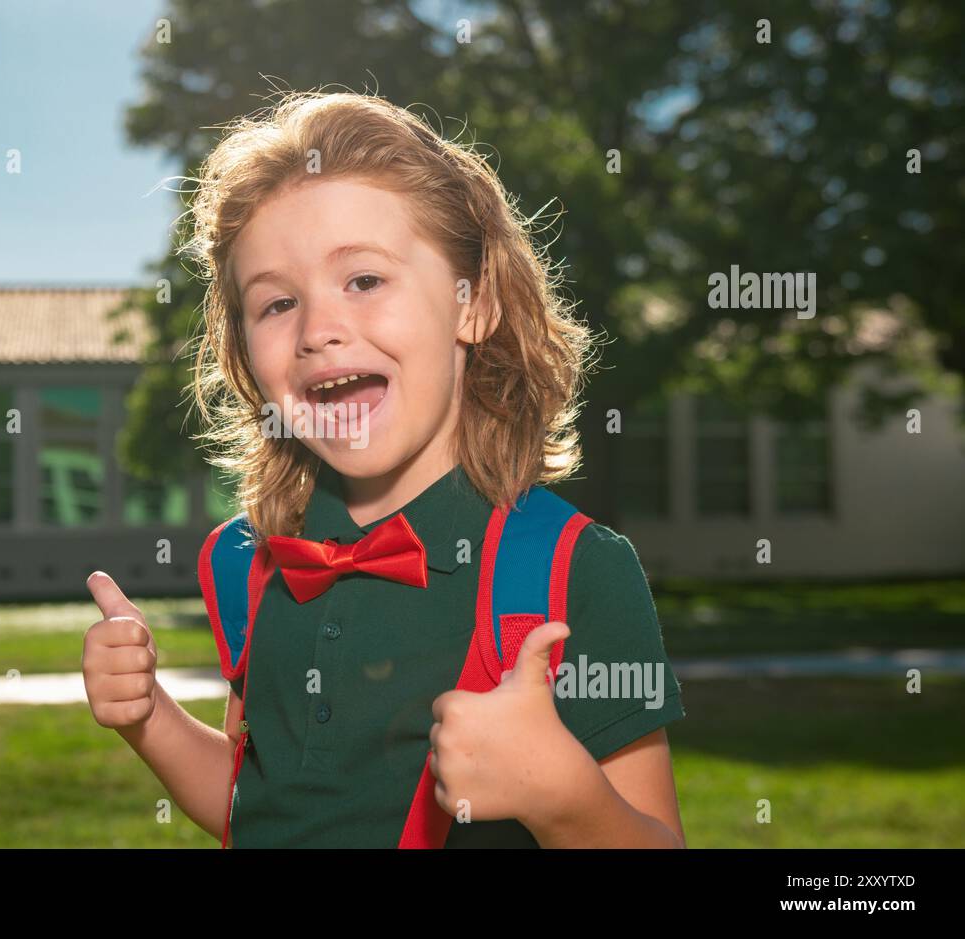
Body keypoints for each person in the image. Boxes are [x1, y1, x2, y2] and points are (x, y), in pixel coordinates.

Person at [83, 90, 686, 848]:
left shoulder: (577, 571)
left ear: (475, 305)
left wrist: (562, 795)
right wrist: (149, 717)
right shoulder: (253, 568)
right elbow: (260, 806)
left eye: (364, 280)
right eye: (275, 304)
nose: (319, 330)